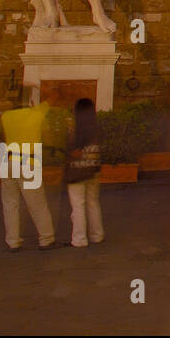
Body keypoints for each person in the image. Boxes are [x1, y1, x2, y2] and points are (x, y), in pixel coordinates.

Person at [0, 101, 54, 251]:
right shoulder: (38, 115)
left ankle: (13, 242)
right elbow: (48, 138)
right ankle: (46, 238)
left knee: (10, 204)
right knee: (37, 204)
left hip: (8, 161)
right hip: (29, 160)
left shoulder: (5, 116)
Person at [64, 98, 104, 248]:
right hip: (93, 169)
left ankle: (79, 239)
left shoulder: (73, 128)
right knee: (93, 202)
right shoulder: (97, 128)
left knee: (78, 205)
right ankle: (97, 235)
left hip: (76, 171)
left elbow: (68, 148)